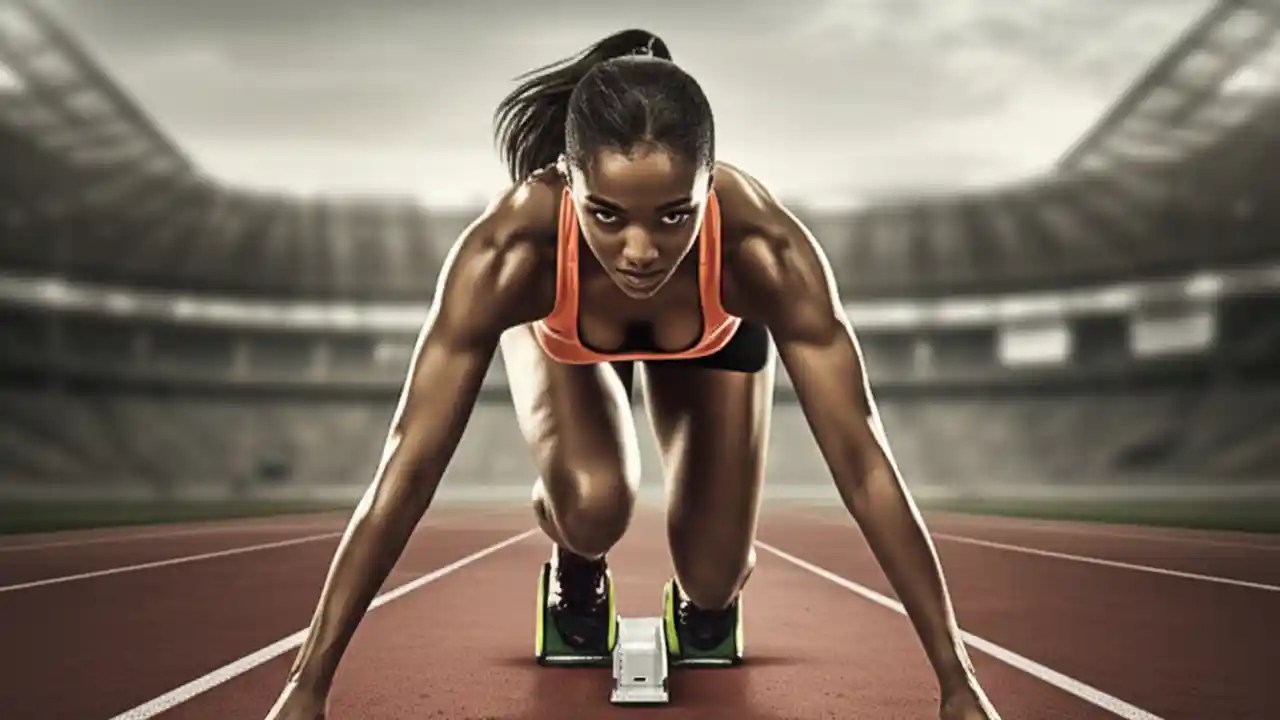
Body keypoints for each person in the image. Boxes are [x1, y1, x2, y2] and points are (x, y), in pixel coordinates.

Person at [266, 28, 1000, 720]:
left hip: (711, 341)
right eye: (608, 215)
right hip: (567, 340)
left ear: (711, 185)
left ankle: (705, 604)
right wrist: (308, 684)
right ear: (568, 178)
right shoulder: (510, 252)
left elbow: (864, 465)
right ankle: (576, 567)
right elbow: (410, 464)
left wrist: (957, 681)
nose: (642, 252)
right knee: (595, 503)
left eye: (675, 215)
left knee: (715, 577)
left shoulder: (764, 251)